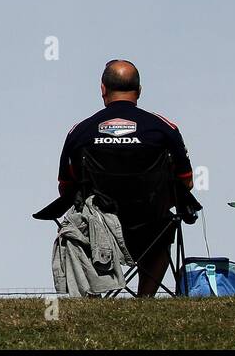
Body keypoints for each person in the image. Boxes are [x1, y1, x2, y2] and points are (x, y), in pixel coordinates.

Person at [49, 59, 197, 297]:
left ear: (102, 89)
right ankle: (145, 299)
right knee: (164, 223)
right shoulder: (163, 129)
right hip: (151, 227)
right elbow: (186, 182)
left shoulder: (80, 132)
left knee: (82, 218)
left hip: (97, 229)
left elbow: (65, 187)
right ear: (139, 90)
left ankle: (94, 295)